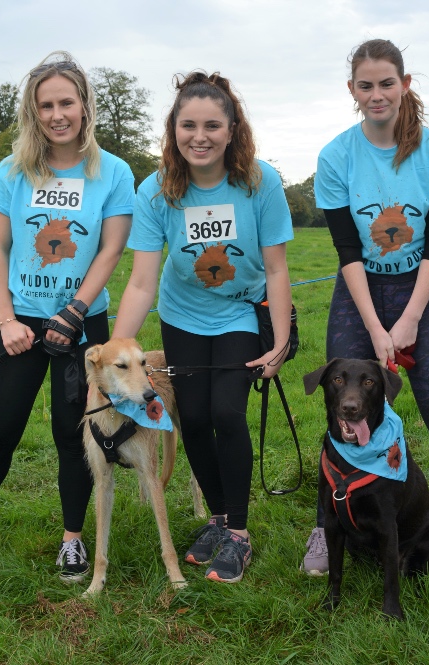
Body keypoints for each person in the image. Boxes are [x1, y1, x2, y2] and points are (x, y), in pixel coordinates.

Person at [304, 38, 429, 575]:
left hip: (422, 292)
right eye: (366, 85)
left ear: (405, 85)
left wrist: (408, 319)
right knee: (341, 410)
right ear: (352, 91)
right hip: (359, 291)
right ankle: (325, 530)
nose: (377, 94)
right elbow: (346, 249)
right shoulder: (336, 155)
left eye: (387, 83)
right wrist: (375, 325)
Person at [111, 71, 293, 584]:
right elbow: (142, 282)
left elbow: (276, 268)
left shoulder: (261, 181)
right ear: (173, 129)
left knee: (226, 412)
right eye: (187, 125)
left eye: (213, 125)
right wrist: (113, 351)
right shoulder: (156, 189)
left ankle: (238, 533)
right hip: (182, 315)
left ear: (233, 129)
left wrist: (279, 342)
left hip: (238, 312)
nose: (200, 136)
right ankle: (215, 519)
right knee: (191, 419)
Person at [0, 51, 134, 583]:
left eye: (66, 102)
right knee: (0, 429)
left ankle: (73, 541)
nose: (57, 114)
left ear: (84, 106)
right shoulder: (11, 171)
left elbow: (110, 250)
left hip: (85, 328)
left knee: (74, 434)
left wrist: (77, 311)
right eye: (45, 105)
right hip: (20, 324)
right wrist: (7, 318)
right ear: (32, 113)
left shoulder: (114, 171)